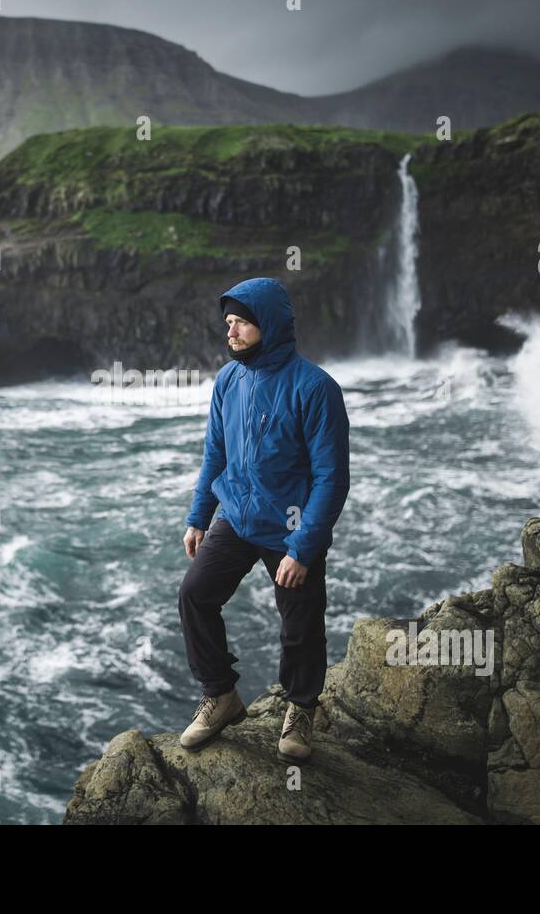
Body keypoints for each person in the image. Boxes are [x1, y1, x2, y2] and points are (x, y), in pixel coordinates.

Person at [176, 276, 350, 765]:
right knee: (195, 594)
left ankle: (299, 709)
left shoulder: (315, 389)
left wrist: (303, 548)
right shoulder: (229, 380)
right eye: (228, 323)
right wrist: (199, 517)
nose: (230, 333)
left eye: (241, 324)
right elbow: (216, 452)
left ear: (267, 326)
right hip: (237, 514)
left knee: (299, 623)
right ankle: (222, 696)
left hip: (291, 525)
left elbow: (331, 478)